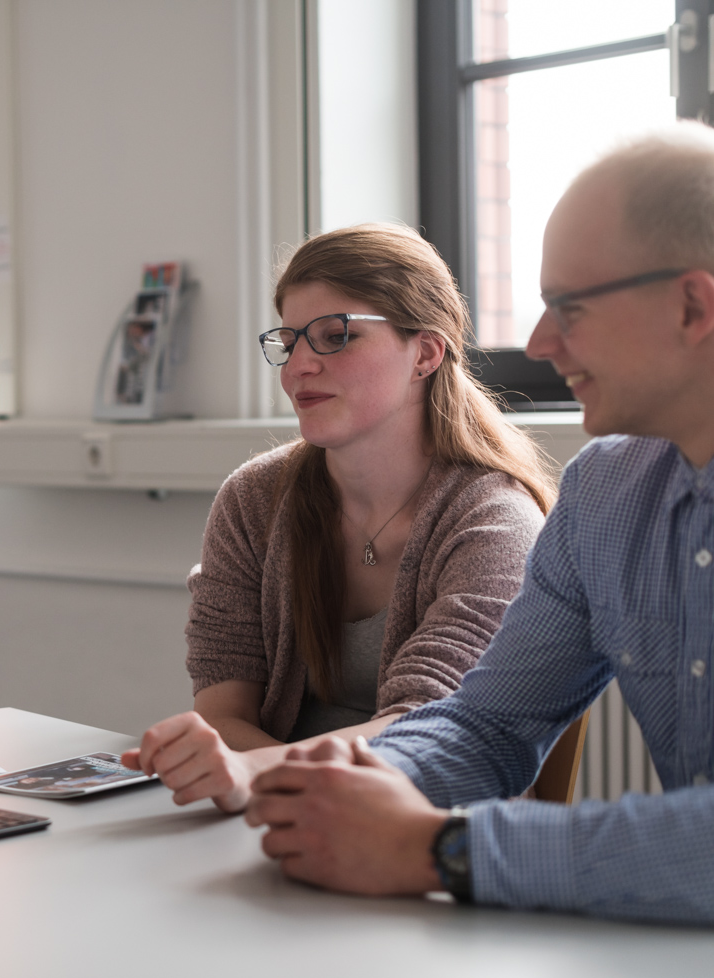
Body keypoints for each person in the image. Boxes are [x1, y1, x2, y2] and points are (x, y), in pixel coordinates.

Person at [242, 123, 714, 925]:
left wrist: (437, 848)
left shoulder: (498, 509)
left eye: (571, 307)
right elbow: (489, 722)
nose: (539, 342)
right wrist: (354, 777)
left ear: (693, 304)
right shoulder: (606, 493)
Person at [123, 224, 556, 812]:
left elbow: (423, 731)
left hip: (428, 835)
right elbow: (223, 713)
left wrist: (253, 773)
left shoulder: (494, 521)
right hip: (272, 822)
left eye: (335, 336)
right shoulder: (253, 501)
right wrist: (252, 779)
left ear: (425, 353)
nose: (298, 367)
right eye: (289, 339)